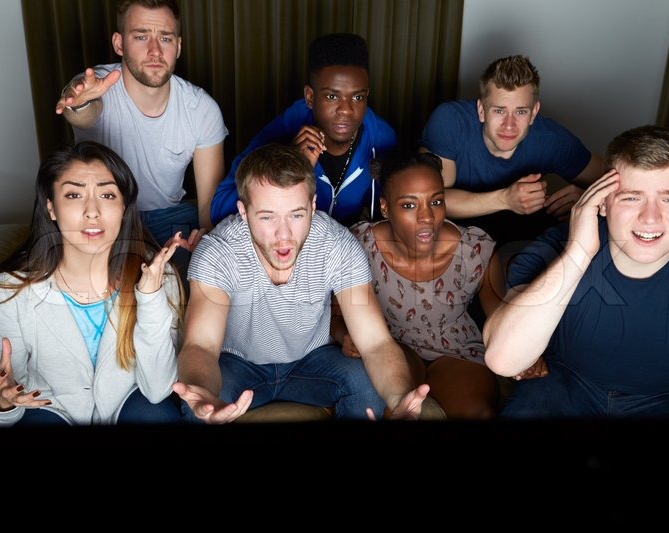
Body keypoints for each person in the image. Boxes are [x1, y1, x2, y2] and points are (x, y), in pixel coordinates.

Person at [483, 125, 669, 419]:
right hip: (564, 386)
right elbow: (503, 359)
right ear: (603, 201)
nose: (650, 218)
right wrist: (579, 252)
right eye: (631, 197)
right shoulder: (556, 246)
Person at [172, 143, 429, 422]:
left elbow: (376, 343)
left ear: (313, 206)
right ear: (243, 212)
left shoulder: (337, 244)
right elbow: (200, 345)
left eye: (296, 214)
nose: (284, 234)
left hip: (312, 360)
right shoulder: (218, 252)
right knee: (201, 407)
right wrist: (206, 393)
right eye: (267, 217)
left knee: (365, 386)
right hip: (238, 364)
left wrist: (399, 399)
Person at [0, 141, 185, 426]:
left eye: (107, 195)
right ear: (51, 208)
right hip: (51, 409)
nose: (92, 211)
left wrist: (149, 297)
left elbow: (158, 389)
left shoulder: (158, 275)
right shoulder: (10, 288)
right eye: (74, 195)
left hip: (131, 403)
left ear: (124, 208)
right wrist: (0, 401)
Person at [55, 0, 228, 279]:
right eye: (141, 36)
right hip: (108, 219)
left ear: (178, 46)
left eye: (165, 38)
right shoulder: (98, 84)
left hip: (170, 219)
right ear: (119, 43)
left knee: (200, 279)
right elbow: (84, 110)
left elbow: (209, 207)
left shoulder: (202, 108)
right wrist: (78, 103)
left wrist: (203, 241)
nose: (155, 51)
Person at [331, 152, 502, 419]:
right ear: (385, 207)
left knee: (478, 413)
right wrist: (345, 336)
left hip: (455, 351)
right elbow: (334, 316)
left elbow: (502, 317)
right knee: (389, 409)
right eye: (409, 205)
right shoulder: (359, 246)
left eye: (436, 202)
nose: (426, 217)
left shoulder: (475, 250)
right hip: (390, 346)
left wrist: (527, 354)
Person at [209, 32, 396, 229]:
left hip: (346, 246)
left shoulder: (382, 140)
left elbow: (389, 213)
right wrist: (287, 168)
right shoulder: (281, 132)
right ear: (310, 97)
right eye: (332, 97)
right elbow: (220, 209)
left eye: (357, 97)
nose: (346, 110)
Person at [419, 54, 605, 247]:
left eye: (521, 112)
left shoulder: (551, 139)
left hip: (518, 240)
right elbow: (429, 200)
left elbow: (622, 179)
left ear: (534, 113)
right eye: (499, 110)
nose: (509, 125)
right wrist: (505, 199)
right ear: (481, 110)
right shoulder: (450, 121)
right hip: (452, 236)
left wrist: (589, 197)